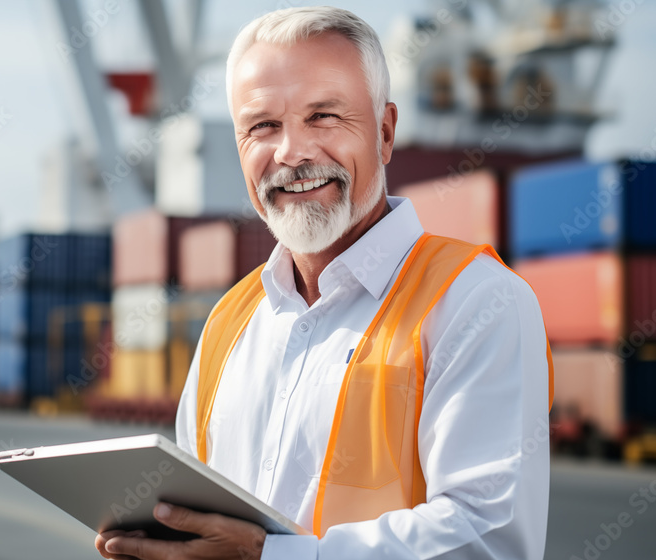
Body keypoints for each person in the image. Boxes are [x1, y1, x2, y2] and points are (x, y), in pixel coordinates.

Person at [96, 6, 553, 560]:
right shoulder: (228, 322)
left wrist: (269, 557)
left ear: (384, 134)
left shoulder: (477, 302)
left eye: (324, 117)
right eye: (263, 126)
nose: (293, 152)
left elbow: (488, 539)